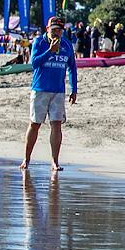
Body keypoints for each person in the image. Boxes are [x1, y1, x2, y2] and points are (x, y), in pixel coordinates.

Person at [22, 16, 78, 171]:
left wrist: (74, 89)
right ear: (47, 29)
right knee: (35, 124)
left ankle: (55, 161)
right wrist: (50, 51)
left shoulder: (66, 44)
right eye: (54, 30)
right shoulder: (39, 42)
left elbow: (72, 67)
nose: (57, 34)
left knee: (57, 124)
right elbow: (34, 63)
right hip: (40, 89)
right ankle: (26, 159)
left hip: (58, 91)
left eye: (59, 30)